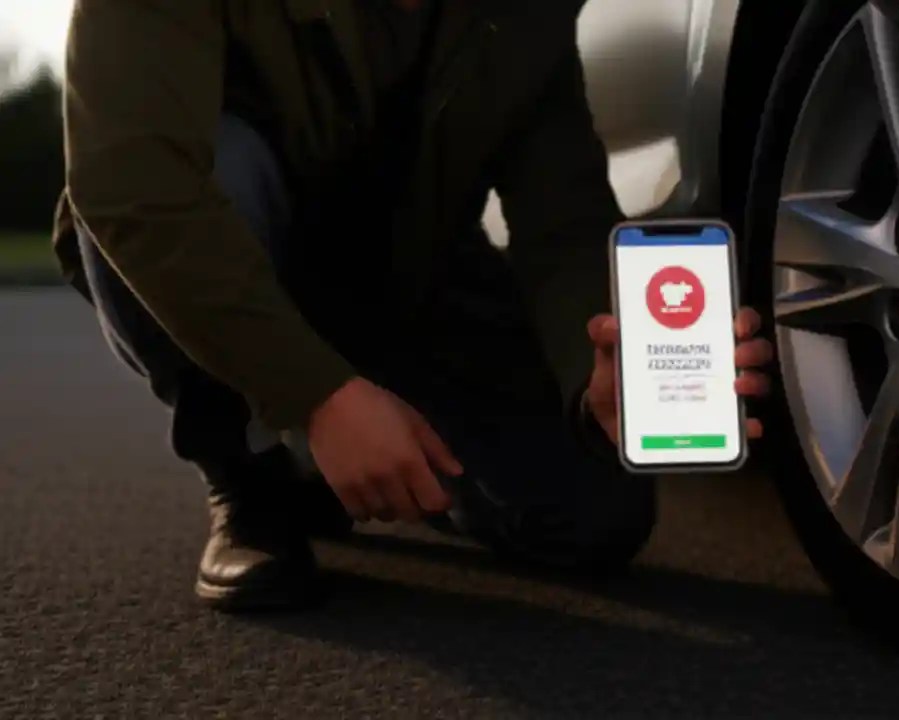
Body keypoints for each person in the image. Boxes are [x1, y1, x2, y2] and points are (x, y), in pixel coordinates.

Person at [52, 0, 775, 611]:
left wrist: (599, 376)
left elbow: (563, 220)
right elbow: (132, 185)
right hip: (230, 238)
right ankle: (250, 483)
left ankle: (359, 470)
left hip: (410, 276)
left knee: (594, 519)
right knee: (210, 169)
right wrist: (318, 396)